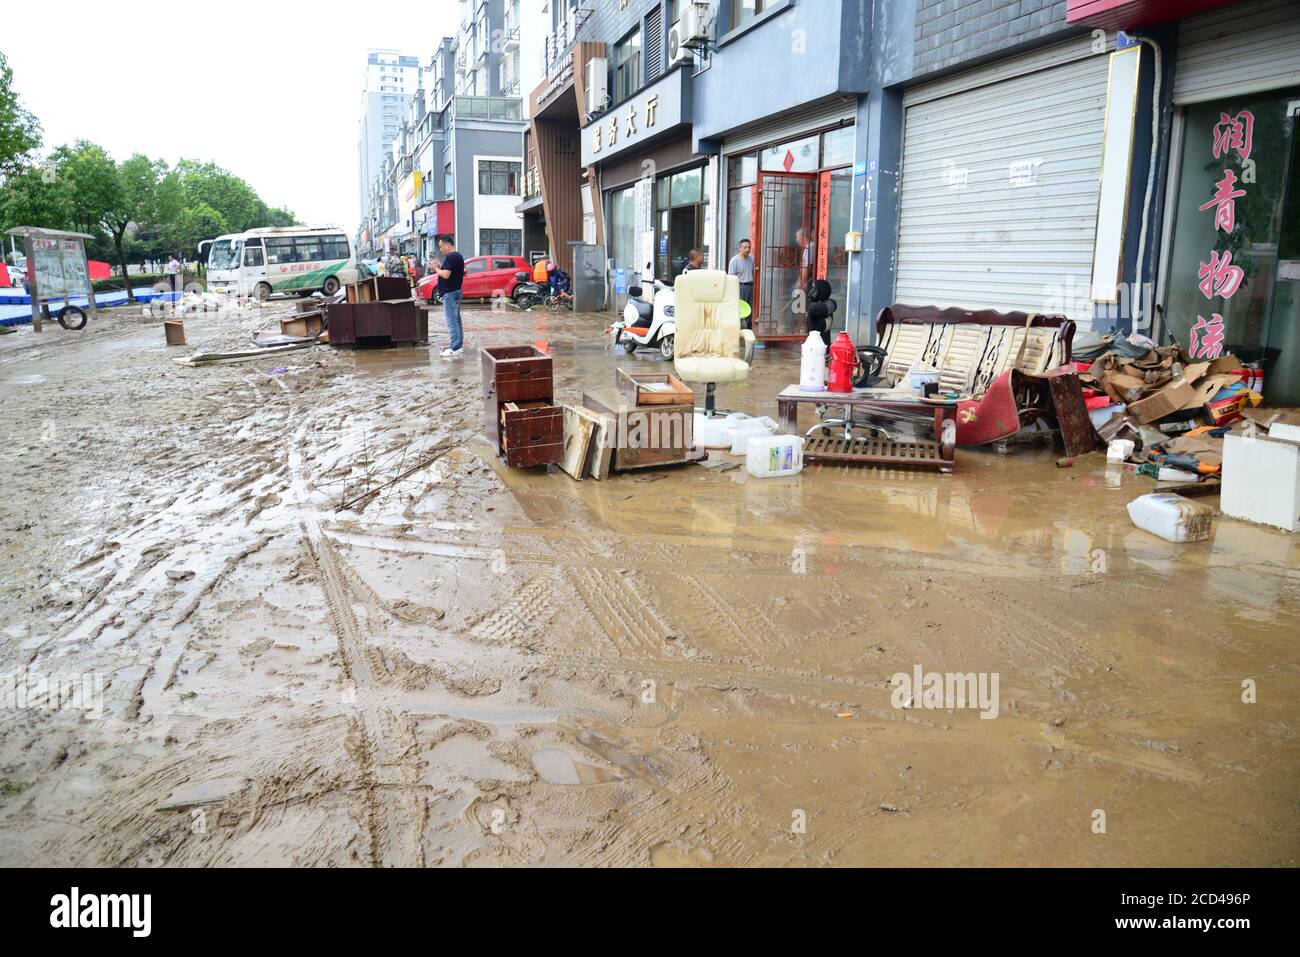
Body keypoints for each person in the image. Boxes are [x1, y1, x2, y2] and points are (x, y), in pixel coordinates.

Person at [431, 234, 465, 358]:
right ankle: (458, 345)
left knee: (452, 321)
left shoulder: (452, 256)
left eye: (441, 247)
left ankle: (455, 347)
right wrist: (440, 267)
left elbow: (445, 275)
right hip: (455, 291)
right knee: (456, 320)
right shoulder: (457, 256)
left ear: (447, 244)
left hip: (450, 293)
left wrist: (436, 268)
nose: (441, 249)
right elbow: (448, 271)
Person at [728, 239, 755, 328]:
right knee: (740, 310)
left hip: (751, 287)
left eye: (749, 247)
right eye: (745, 247)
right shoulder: (734, 261)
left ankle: (750, 329)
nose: (747, 249)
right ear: (739, 248)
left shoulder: (752, 258)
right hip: (740, 287)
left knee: (752, 310)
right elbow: (731, 278)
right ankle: (738, 329)